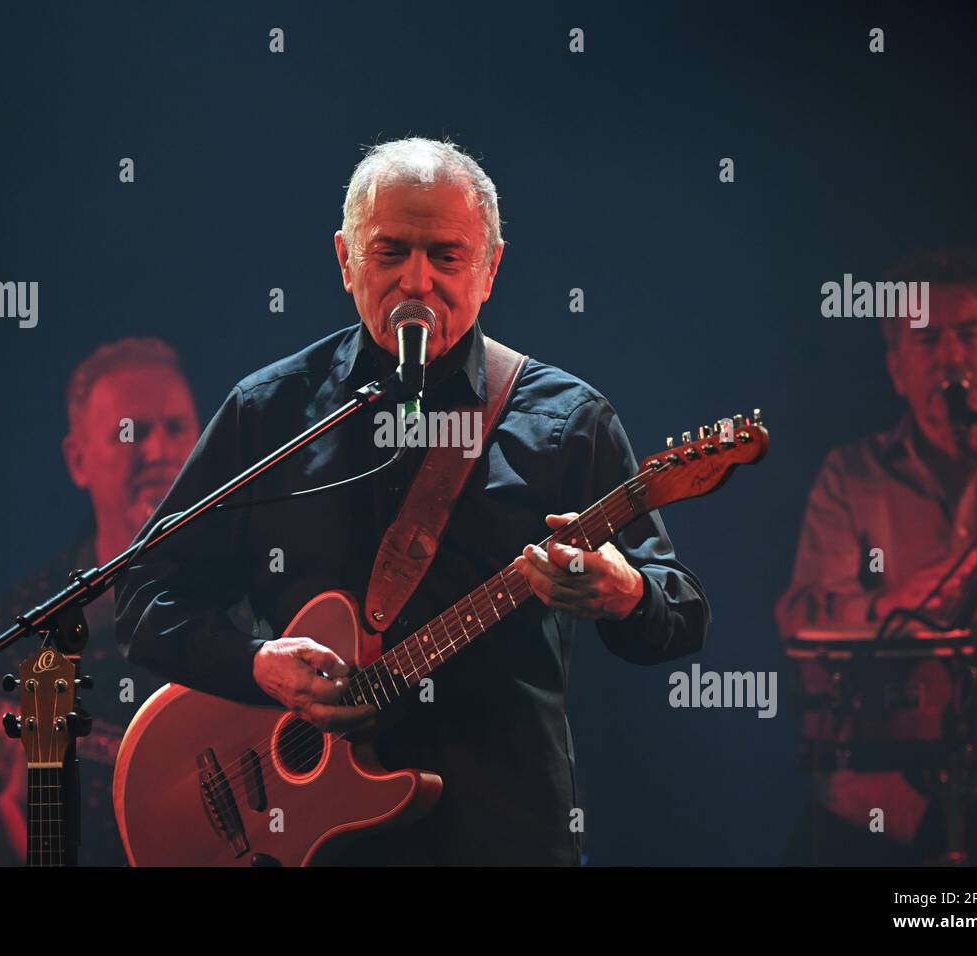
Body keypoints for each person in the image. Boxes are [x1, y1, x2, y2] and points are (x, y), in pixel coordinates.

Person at [114, 137, 711, 865]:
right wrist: (254, 663)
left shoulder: (566, 423)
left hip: (498, 833)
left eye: (446, 256)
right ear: (345, 260)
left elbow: (679, 614)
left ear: (490, 268)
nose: (417, 282)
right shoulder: (272, 411)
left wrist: (625, 593)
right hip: (309, 843)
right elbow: (145, 592)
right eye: (390, 252)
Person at [776, 249, 977, 864]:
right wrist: (896, 602)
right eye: (927, 338)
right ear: (896, 368)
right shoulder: (851, 475)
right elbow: (800, 616)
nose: (951, 357)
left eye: (969, 334)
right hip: (880, 803)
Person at [0, 337, 203, 865]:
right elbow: (11, 848)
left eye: (175, 428)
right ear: (78, 460)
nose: (156, 452)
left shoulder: (255, 589)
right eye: (130, 432)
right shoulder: (22, 629)